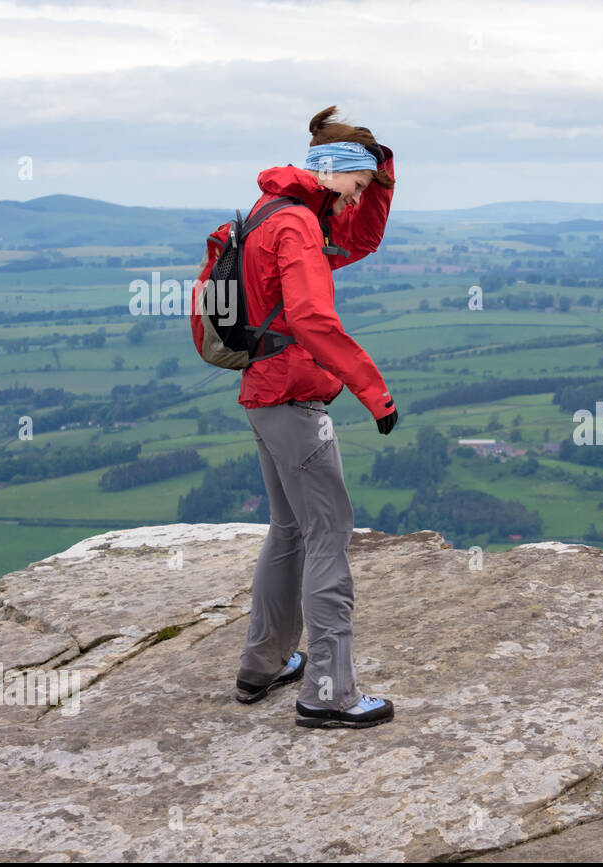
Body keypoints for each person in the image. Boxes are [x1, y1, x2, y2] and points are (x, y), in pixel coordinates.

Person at [230, 106, 399, 729]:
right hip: (296, 401)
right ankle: (328, 692)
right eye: (357, 182)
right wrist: (374, 391)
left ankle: (264, 663)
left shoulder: (267, 213)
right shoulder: (299, 226)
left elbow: (360, 239)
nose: (360, 195)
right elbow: (310, 319)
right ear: (332, 173)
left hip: (263, 394)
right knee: (328, 533)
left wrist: (384, 172)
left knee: (291, 530)